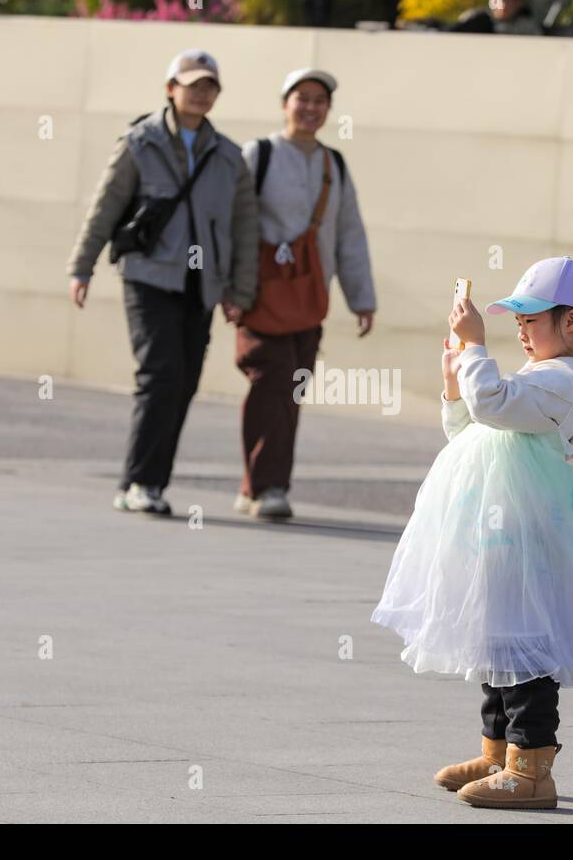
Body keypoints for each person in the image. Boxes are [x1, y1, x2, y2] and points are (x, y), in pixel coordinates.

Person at [371, 257, 573, 809]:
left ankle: (531, 769)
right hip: (500, 533)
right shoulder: (537, 381)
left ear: (572, 322)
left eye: (532, 319)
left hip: (528, 531)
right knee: (497, 637)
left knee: (526, 646)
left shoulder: (570, 384)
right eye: (519, 321)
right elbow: (470, 427)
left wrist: (476, 349)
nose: (522, 331)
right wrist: (453, 386)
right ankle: (499, 751)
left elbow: (495, 405)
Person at [66, 49, 258, 517]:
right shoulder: (140, 142)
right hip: (149, 275)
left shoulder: (229, 155)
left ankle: (146, 481)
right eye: (192, 84)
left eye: (209, 86)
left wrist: (240, 290)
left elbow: (244, 227)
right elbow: (106, 205)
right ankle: (142, 483)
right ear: (170, 88)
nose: (201, 93)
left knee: (184, 381)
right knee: (161, 374)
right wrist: (82, 266)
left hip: (202, 284)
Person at [233, 68, 376, 520]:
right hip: (259, 294)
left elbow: (349, 233)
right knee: (271, 380)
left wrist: (362, 297)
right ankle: (268, 486)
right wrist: (230, 289)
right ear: (284, 103)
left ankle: (256, 486)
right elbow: (231, 223)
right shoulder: (259, 154)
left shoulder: (335, 163)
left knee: (290, 388)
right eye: (302, 98)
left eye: (320, 100)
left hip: (309, 298)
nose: (311, 107)